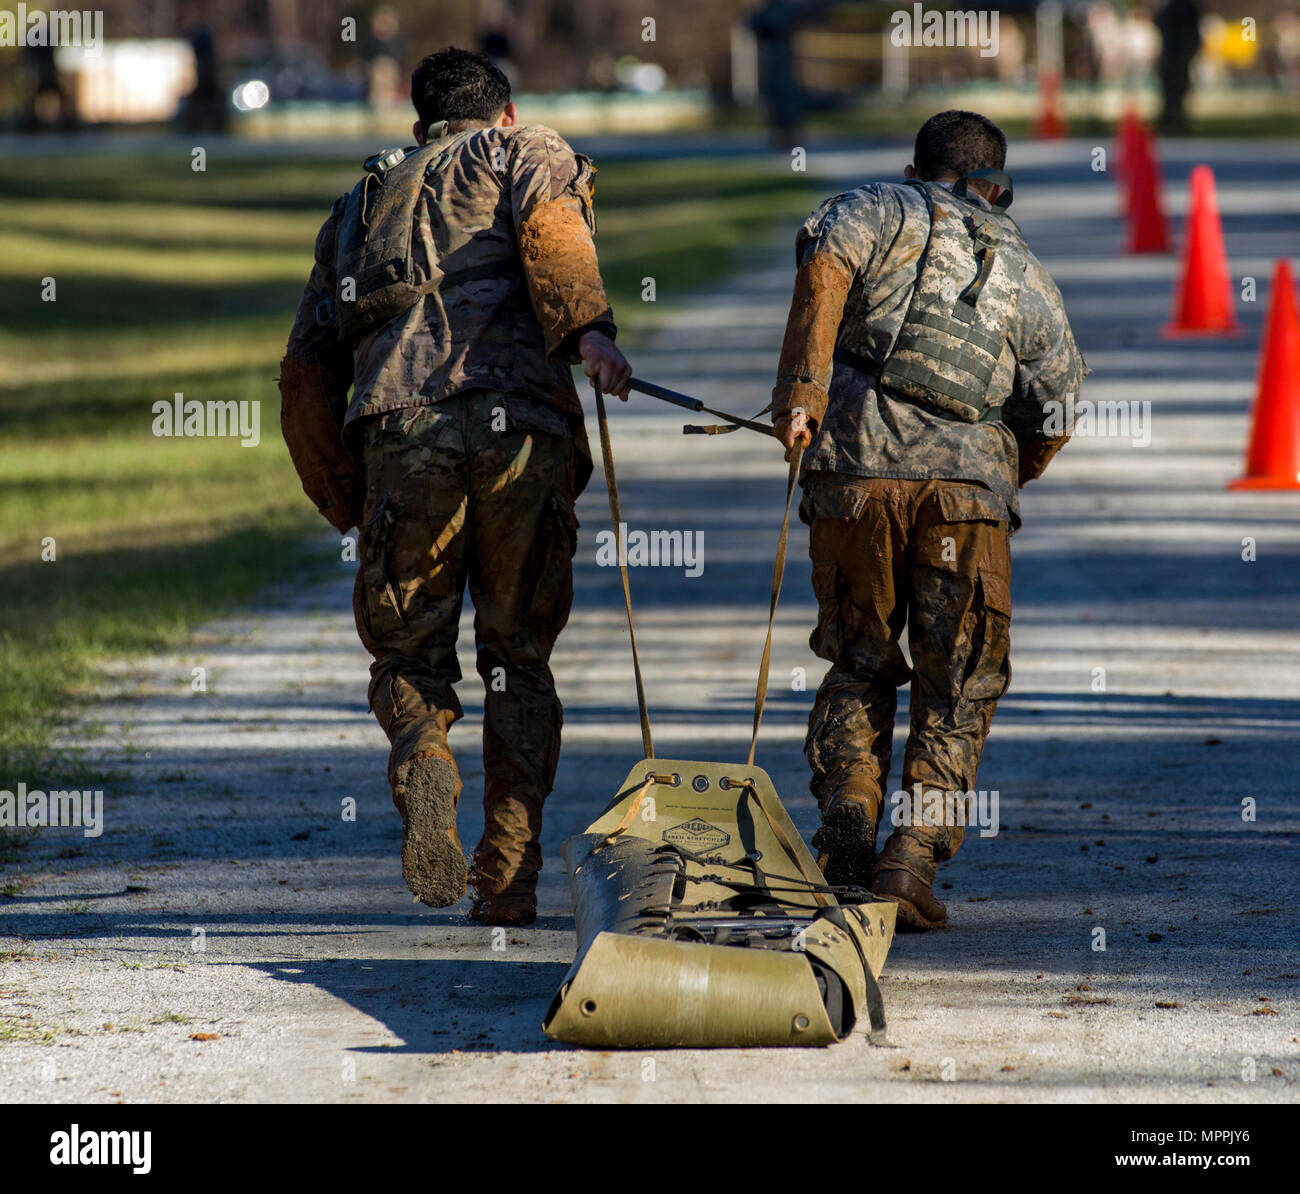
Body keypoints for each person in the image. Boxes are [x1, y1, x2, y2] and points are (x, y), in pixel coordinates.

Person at [279, 47, 631, 926]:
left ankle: (426, 759)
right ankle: (507, 878)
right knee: (519, 658)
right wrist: (588, 332)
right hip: (522, 437)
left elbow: (303, 375)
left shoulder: (359, 205)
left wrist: (348, 499)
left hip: (402, 440)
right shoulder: (525, 153)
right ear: (504, 112)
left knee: (408, 655)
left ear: (417, 124)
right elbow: (553, 236)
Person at [771, 110, 1086, 931]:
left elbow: (824, 273)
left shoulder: (871, 208)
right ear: (995, 187)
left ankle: (848, 803)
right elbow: (1057, 403)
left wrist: (802, 397)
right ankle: (911, 856)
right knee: (959, 681)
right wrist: (1002, 474)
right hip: (967, 500)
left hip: (855, 478)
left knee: (859, 657)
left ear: (918, 167)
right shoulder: (1023, 265)